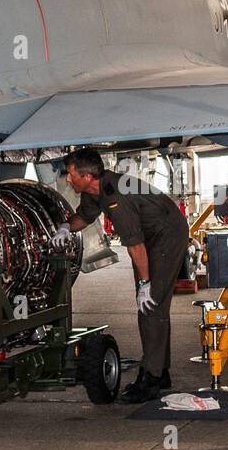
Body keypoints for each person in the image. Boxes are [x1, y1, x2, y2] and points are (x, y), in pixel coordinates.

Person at [54, 148, 191, 404]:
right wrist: (65, 227)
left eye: (71, 175)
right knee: (152, 306)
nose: (68, 180)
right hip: (153, 235)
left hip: (166, 235)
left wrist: (144, 284)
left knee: (150, 306)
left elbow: (135, 246)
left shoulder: (116, 196)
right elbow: (84, 216)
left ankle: (151, 378)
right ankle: (160, 371)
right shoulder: (97, 190)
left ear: (87, 176)